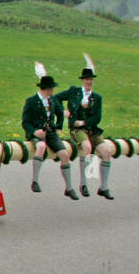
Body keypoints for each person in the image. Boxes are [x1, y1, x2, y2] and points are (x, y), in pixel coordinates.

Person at [55, 55, 115, 200]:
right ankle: (83, 183)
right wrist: (63, 111)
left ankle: (104, 187)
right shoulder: (73, 92)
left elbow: (97, 118)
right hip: (77, 130)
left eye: (91, 80)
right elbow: (55, 98)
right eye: (87, 79)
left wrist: (83, 123)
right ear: (82, 80)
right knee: (87, 148)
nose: (89, 82)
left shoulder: (97, 97)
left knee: (106, 152)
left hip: (91, 128)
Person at [23, 64, 76, 199]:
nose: (53, 90)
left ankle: (69, 187)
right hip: (37, 133)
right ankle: (35, 181)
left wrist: (58, 127)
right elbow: (25, 122)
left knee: (64, 154)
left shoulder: (53, 101)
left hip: (51, 133)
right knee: (40, 146)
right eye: (52, 88)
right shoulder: (31, 101)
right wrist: (34, 132)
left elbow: (59, 113)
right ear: (46, 89)